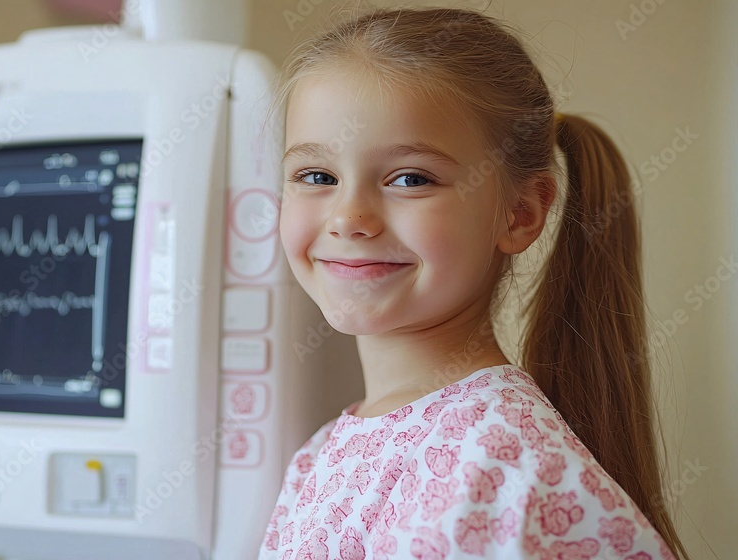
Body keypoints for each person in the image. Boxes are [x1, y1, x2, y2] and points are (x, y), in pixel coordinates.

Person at [259, 6, 689, 559]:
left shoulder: (500, 465)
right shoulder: (319, 457)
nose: (348, 217)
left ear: (519, 215)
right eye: (316, 176)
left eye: (411, 178)